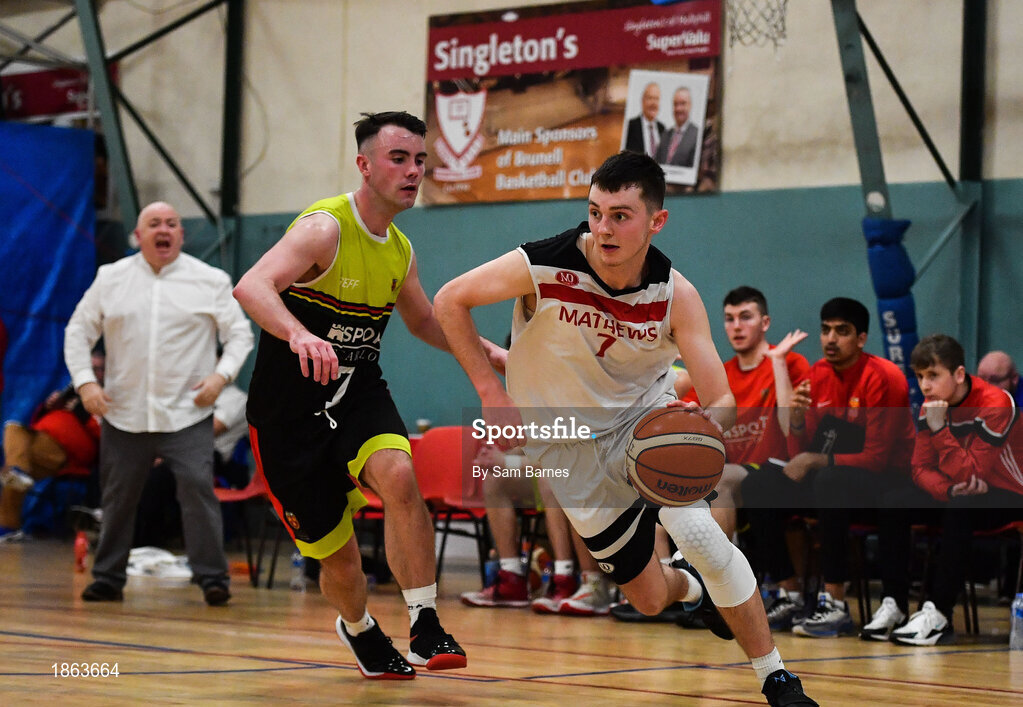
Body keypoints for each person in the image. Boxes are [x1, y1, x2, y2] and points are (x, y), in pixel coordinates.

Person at [434, 151, 817, 706]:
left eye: (620, 215)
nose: (603, 228)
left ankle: (777, 676)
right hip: (566, 445)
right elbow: (450, 301)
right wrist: (492, 394)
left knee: (703, 535)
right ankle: (694, 588)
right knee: (648, 598)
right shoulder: (543, 263)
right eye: (595, 212)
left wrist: (704, 427)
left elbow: (722, 399)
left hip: (645, 424)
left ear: (656, 221)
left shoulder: (675, 296)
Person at [233, 111, 501, 680]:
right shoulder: (322, 228)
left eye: (420, 161)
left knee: (401, 478)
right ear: (364, 165)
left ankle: (425, 623)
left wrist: (486, 352)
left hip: (356, 393)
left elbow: (425, 320)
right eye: (398, 159)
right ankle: (358, 629)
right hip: (287, 417)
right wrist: (299, 333)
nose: (412, 171)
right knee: (343, 563)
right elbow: (251, 285)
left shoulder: (400, 251)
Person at [64, 201, 254, 606]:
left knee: (198, 490)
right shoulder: (110, 278)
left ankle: (212, 578)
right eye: (154, 224)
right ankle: (108, 577)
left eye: (171, 223)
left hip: (187, 413)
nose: (163, 229)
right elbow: (77, 331)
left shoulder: (210, 279)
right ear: (139, 235)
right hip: (123, 412)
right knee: (117, 497)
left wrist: (221, 377)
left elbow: (239, 334)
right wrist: (84, 385)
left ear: (181, 235)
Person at [742, 297, 915, 638]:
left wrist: (814, 460)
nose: (831, 339)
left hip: (886, 480)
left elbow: (878, 458)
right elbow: (799, 453)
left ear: (861, 339)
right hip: (831, 474)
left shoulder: (885, 377)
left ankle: (835, 603)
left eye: (842, 331)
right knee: (758, 483)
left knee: (829, 480)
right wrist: (794, 420)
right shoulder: (818, 373)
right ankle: (789, 592)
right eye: (825, 330)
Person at [863, 335, 1023, 646]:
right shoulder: (931, 406)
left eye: (933, 375)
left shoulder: (996, 402)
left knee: (961, 509)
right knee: (895, 501)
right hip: (961, 491)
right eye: (920, 376)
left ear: (959, 375)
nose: (924, 385)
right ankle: (894, 603)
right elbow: (919, 469)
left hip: (1009, 493)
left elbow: (974, 471)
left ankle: (939, 614)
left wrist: (939, 430)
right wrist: (949, 490)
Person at [683, 287, 811, 629]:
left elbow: (791, 429)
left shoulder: (791, 362)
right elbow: (687, 411)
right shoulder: (720, 375)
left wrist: (779, 364)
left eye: (746, 317)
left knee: (719, 479)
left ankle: (719, 590)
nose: (736, 326)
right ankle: (680, 583)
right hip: (732, 471)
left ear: (765, 322)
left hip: (777, 470)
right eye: (729, 319)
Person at [460, 443, 613, 616]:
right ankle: (512, 577)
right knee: (495, 479)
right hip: (551, 470)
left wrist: (508, 461)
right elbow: (532, 444)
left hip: (597, 469)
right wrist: (495, 458)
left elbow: (568, 458)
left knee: (553, 477)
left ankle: (577, 581)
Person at [0, 349, 105, 541]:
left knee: (13, 467)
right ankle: (17, 475)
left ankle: (9, 523)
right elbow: (36, 421)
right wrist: (49, 408)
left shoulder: (106, 397)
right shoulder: (71, 392)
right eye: (90, 368)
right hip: (41, 440)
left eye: (98, 369)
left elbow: (106, 436)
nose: (93, 373)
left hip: (66, 451)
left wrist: (81, 412)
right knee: (12, 427)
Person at [654, 87, 698, 168]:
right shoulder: (665, 135)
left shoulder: (697, 135)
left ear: (690, 105)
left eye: (683, 103)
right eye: (675, 104)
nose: (678, 108)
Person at [624, 82, 665, 158]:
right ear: (642, 101)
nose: (653, 103)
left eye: (656, 99)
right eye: (650, 98)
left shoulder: (663, 128)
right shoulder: (629, 127)